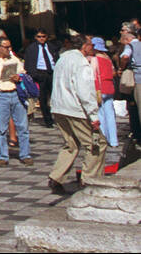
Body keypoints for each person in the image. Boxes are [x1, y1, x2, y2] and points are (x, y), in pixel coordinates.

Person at [47, 35, 104, 194]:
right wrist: (94, 116)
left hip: (59, 107)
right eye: (90, 45)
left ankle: (56, 176)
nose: (92, 48)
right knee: (96, 144)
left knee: (71, 143)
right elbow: (85, 91)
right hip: (75, 109)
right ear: (84, 46)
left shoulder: (62, 59)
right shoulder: (80, 63)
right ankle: (89, 180)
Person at [0, 35, 32, 166]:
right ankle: (2, 156)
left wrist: (18, 77)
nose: (9, 49)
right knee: (1, 128)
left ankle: (25, 154)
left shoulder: (13, 58)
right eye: (6, 47)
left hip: (15, 94)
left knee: (22, 126)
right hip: (0, 95)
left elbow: (23, 73)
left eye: (10, 46)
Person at [23, 29, 57, 127]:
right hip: (40, 73)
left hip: (52, 72)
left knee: (55, 97)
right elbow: (28, 64)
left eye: (43, 36)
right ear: (35, 37)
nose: (41, 39)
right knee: (43, 99)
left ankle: (58, 118)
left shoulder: (51, 46)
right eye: (39, 37)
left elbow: (55, 58)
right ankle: (48, 120)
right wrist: (35, 75)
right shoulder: (31, 48)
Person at [91, 37, 119, 150]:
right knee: (110, 114)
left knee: (100, 114)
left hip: (98, 88)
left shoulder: (94, 59)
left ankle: (104, 138)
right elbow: (113, 73)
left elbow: (92, 75)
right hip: (109, 88)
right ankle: (114, 140)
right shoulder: (108, 59)